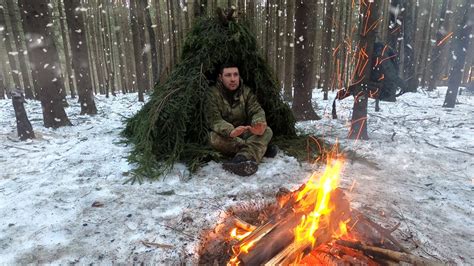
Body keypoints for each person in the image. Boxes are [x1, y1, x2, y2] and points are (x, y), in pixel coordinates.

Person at [205, 63, 276, 176]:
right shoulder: (212, 94)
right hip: (226, 135)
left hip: (243, 132)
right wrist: (230, 131)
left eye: (235, 75)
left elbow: (256, 110)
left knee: (267, 131)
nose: (233, 79)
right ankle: (257, 149)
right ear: (220, 77)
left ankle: (240, 158)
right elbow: (214, 119)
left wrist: (258, 124)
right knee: (213, 138)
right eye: (228, 75)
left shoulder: (246, 92)